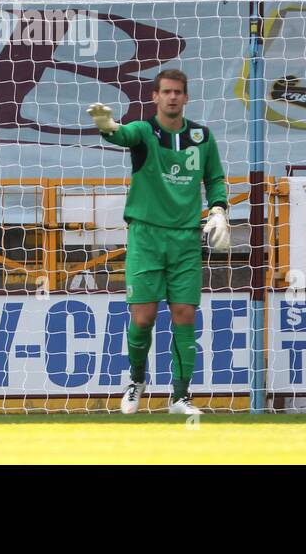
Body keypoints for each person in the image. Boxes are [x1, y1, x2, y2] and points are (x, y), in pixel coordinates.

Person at [87, 68, 230, 416]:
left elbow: (214, 179)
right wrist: (108, 127)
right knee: (143, 317)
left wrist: (219, 210)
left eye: (178, 92)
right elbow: (122, 135)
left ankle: (180, 397)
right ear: (155, 96)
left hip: (184, 239)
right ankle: (136, 380)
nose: (172, 97)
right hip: (147, 235)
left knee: (184, 314)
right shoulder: (145, 131)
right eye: (166, 91)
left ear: (186, 97)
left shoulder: (202, 136)